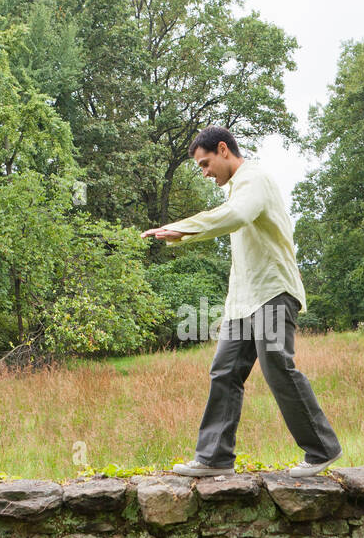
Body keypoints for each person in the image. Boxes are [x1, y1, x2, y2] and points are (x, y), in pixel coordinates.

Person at [142, 126, 343, 478]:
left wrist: (183, 228)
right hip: (243, 302)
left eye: (205, 164)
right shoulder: (235, 189)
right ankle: (214, 458)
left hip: (272, 293)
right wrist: (230, 307)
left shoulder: (255, 180)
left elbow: (236, 216)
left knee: (277, 366)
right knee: (224, 370)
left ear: (223, 150)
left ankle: (322, 450)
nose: (204, 173)